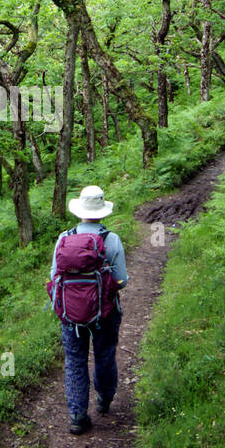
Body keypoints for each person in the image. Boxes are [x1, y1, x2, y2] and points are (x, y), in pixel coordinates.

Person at [49, 185, 128, 435]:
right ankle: (104, 400)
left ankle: (77, 416)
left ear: (80, 210)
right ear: (102, 212)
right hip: (105, 312)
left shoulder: (64, 238)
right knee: (104, 355)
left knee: (74, 360)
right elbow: (121, 279)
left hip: (70, 315)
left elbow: (54, 276)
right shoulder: (111, 239)